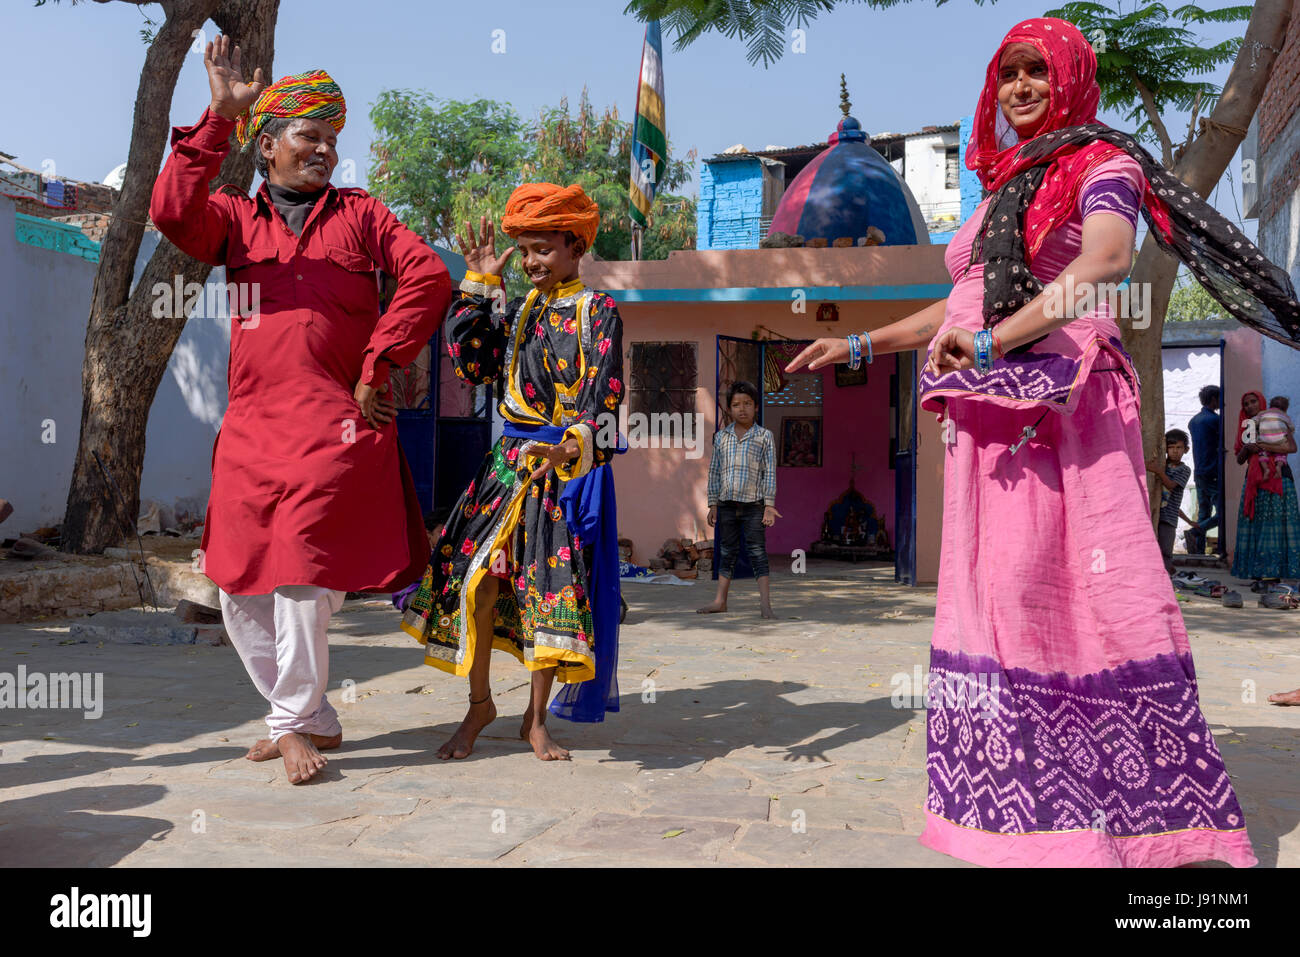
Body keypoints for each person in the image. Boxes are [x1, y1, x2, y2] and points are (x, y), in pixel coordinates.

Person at [784, 16, 1297, 866]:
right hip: (988, 421)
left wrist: (992, 341)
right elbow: (963, 305)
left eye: (1037, 71)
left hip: (1068, 413)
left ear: (1069, 78)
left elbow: (1101, 262)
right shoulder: (999, 188)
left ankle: (1146, 815)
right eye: (1009, 73)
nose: (1021, 87)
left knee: (1089, 599)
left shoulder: (1104, 164)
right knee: (1002, 608)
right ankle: (1031, 813)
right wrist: (859, 344)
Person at [149, 38, 451, 784]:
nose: (324, 150)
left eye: (332, 139)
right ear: (269, 144)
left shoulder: (362, 216)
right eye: (308, 136)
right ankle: (310, 715)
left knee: (301, 576)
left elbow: (428, 274)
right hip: (251, 431)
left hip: (334, 427)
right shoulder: (232, 221)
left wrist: (379, 362)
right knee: (235, 585)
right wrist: (215, 118)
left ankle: (289, 723)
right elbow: (168, 211)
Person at [400, 185, 624, 761]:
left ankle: (534, 719)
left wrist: (570, 446)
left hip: (559, 475)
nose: (530, 262)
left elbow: (605, 398)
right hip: (503, 471)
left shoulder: (598, 312)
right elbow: (473, 364)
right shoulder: (518, 308)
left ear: (577, 247)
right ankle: (480, 706)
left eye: (543, 249)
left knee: (545, 597)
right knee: (473, 585)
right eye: (524, 250)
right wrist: (476, 286)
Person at [698, 381, 779, 618]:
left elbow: (769, 473)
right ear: (729, 409)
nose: (742, 409)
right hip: (726, 505)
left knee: (757, 552)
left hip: (754, 506)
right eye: (736, 405)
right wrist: (713, 504)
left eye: (747, 404)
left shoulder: (764, 437)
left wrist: (769, 506)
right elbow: (714, 471)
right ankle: (719, 601)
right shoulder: (722, 437)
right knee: (727, 552)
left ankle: (765, 605)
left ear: (756, 407)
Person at [1231, 390, 1300, 588]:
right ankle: (1260, 572)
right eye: (1246, 403)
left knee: (1277, 525)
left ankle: (1273, 574)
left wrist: (1265, 446)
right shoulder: (1249, 426)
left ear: (1261, 403)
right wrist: (1247, 448)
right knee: (1257, 525)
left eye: (1253, 401)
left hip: (1280, 478)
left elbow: (1292, 447)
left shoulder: (1276, 422)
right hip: (1255, 480)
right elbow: (1239, 458)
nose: (1250, 406)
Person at [1148, 430, 1193, 575]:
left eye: (1178, 448)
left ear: (1186, 450)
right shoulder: (1161, 464)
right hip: (1154, 514)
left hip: (1168, 519)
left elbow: (1171, 486)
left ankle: (1166, 576)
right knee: (1152, 549)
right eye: (1171, 447)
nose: (1174, 451)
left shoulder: (1184, 470)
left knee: (1166, 550)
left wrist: (1158, 471)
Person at [1185, 385, 1222, 554]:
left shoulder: (1193, 421)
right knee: (1223, 514)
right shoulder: (1215, 420)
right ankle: (1195, 531)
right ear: (1214, 399)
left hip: (1199, 472)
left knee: (1203, 512)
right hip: (1213, 471)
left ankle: (1198, 552)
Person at [1255, 396, 1294, 481]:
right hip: (1280, 442)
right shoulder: (1285, 416)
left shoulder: (1262, 413)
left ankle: (1266, 469)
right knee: (1282, 455)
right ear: (1285, 408)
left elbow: (1254, 422)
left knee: (1262, 454)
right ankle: (1279, 467)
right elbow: (1291, 428)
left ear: (1270, 405)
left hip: (1264, 440)